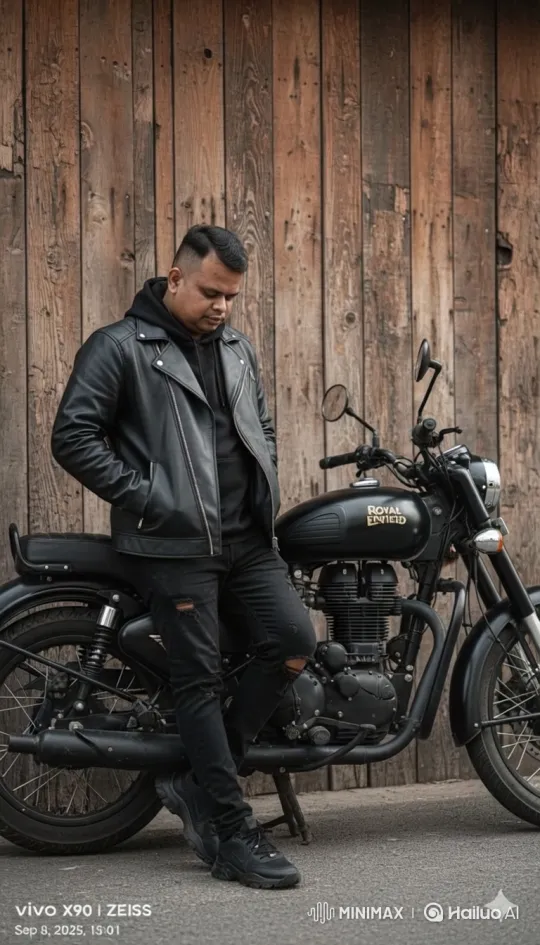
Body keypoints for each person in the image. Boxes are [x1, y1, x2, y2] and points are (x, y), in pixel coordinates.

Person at [51, 224, 316, 889]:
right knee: (197, 680)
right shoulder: (119, 347)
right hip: (172, 543)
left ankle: (201, 782)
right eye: (210, 292)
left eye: (231, 296)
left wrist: (266, 478)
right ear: (175, 277)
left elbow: (261, 425)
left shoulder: (234, 347)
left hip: (246, 541)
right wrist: (150, 496)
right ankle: (230, 832)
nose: (222, 307)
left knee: (291, 641)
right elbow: (72, 435)